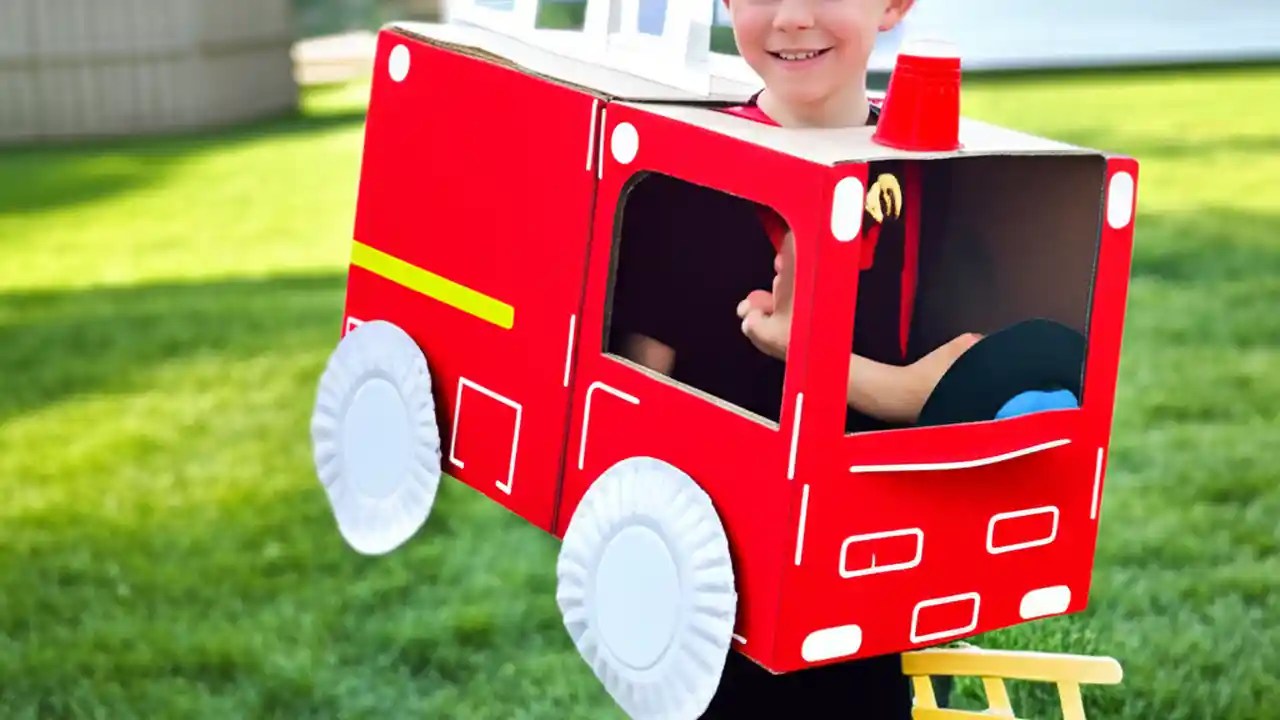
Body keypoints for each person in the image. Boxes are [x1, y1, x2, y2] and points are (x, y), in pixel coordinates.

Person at [607, 0, 976, 716]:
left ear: (894, 6)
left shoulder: (939, 175)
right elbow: (639, 389)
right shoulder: (681, 176)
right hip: (716, 574)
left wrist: (803, 348)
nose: (793, 17)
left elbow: (967, 376)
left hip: (875, 561)